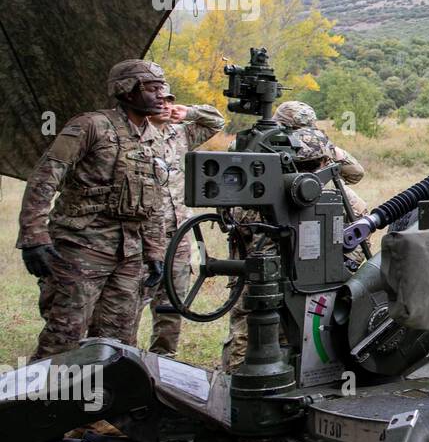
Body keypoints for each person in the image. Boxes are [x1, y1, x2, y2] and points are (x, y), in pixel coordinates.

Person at [18, 60, 171, 359]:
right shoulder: (90, 125)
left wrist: (154, 251)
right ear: (127, 91)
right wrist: (33, 236)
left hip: (129, 255)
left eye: (161, 88)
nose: (161, 95)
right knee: (64, 336)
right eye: (152, 88)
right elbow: (46, 176)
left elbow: (153, 201)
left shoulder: (154, 137)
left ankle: (104, 403)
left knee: (118, 343)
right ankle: (46, 401)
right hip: (80, 248)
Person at [220, 128, 369, 372]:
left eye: (311, 166)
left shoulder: (342, 198)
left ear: (325, 164)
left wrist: (344, 271)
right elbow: (239, 234)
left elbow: (360, 237)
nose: (304, 174)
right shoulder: (258, 196)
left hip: (315, 292)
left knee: (309, 350)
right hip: (261, 288)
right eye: (299, 165)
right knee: (247, 347)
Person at [135, 85, 225, 356]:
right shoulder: (134, 135)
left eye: (169, 100)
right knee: (131, 301)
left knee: (173, 299)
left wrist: (188, 111)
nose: (165, 105)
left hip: (178, 233)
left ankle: (164, 357)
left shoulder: (181, 133)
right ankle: (121, 357)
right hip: (142, 234)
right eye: (159, 100)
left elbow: (217, 121)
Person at [271, 100, 365, 184]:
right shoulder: (320, 145)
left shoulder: (263, 142)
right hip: (307, 193)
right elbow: (356, 173)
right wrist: (330, 150)